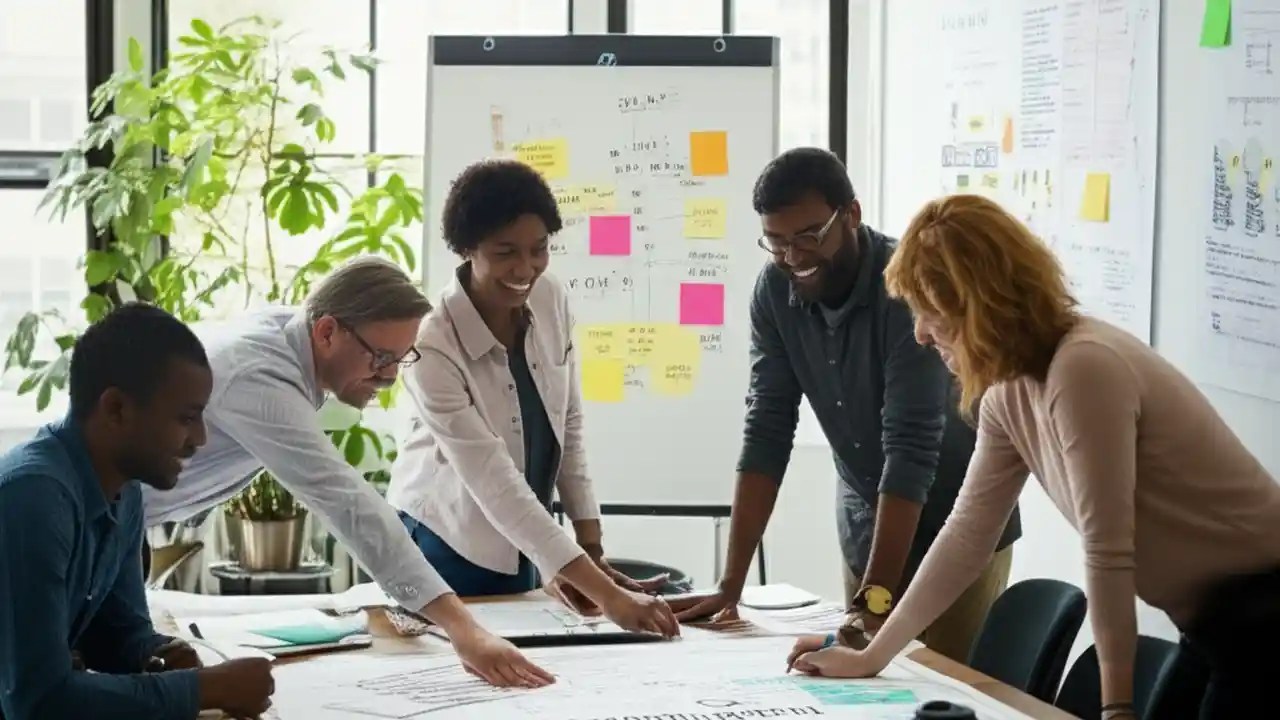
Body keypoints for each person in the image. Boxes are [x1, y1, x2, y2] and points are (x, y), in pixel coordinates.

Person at [786, 194, 1280, 718]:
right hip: (1210, 621)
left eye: (931, 311)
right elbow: (967, 533)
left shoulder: (1083, 367)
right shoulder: (1007, 393)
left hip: (1264, 608)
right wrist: (873, 655)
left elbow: (1108, 550)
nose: (921, 333)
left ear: (980, 304)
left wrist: (1115, 711)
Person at [141, 257, 556, 688]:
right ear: (326, 333)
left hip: (124, 524)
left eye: (401, 358)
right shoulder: (259, 375)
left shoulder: (289, 339)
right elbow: (349, 504)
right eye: (380, 357)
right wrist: (464, 631)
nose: (390, 376)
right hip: (98, 517)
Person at [674, 148, 1020, 662]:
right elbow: (767, 427)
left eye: (810, 236)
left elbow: (911, 447)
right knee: (863, 680)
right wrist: (731, 586)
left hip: (959, 520)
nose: (794, 257)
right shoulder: (774, 290)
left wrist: (876, 602)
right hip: (868, 520)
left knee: (937, 683)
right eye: (777, 242)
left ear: (851, 215)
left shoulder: (905, 289)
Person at [388, 158, 679, 638]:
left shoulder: (549, 297)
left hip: (528, 534)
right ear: (467, 248)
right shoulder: (431, 343)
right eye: (505, 253)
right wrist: (608, 596)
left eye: (539, 249)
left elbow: (568, 424)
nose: (526, 269)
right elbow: (491, 479)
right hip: (449, 541)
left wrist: (592, 549)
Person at [0, 303, 275, 719]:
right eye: (187, 417)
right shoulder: (32, 497)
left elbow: (116, 634)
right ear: (116, 409)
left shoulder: (124, 491)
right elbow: (37, 701)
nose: (199, 439)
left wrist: (158, 655)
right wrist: (200, 689)